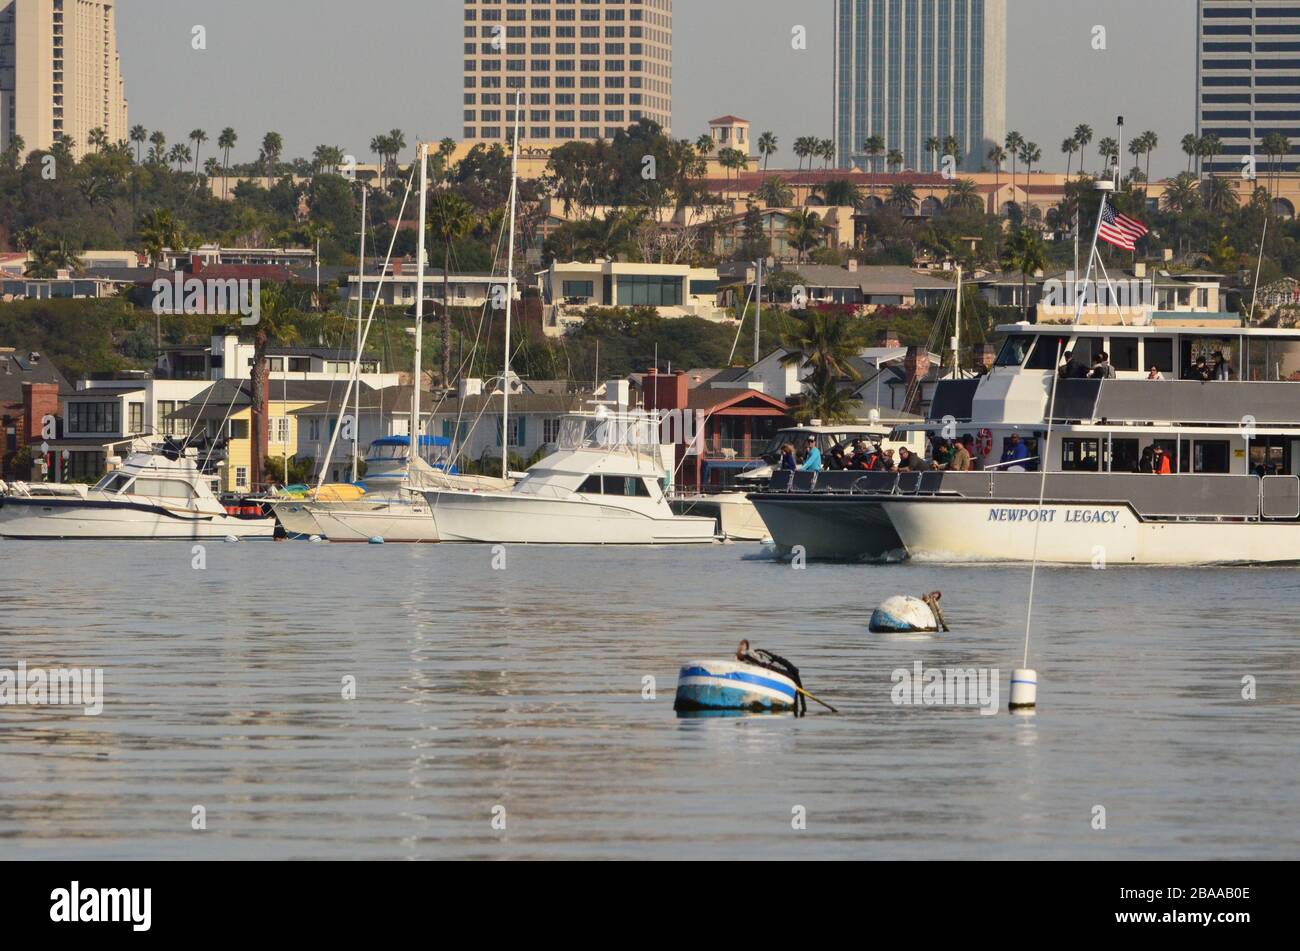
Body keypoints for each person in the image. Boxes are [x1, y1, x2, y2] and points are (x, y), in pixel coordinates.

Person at [736, 639, 806, 717]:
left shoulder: (758, 654)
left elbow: (775, 660)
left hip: (787, 681)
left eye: (741, 647)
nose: (739, 648)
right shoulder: (746, 660)